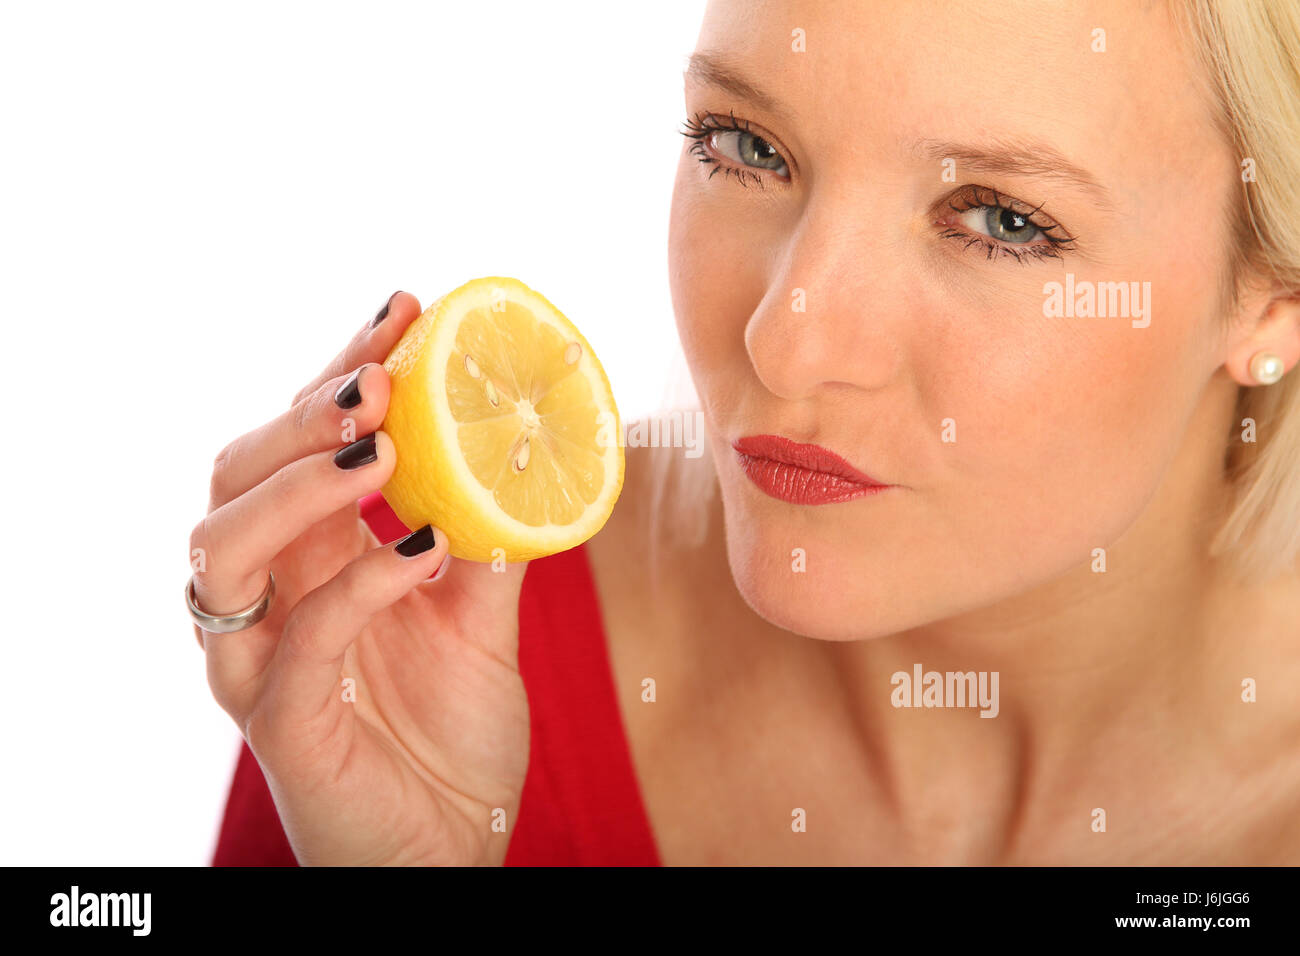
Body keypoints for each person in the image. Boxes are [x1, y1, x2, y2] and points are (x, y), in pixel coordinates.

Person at [190, 0, 1300, 865]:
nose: (786, 341)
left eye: (1003, 221)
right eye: (745, 144)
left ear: (1271, 299)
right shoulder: (423, 623)